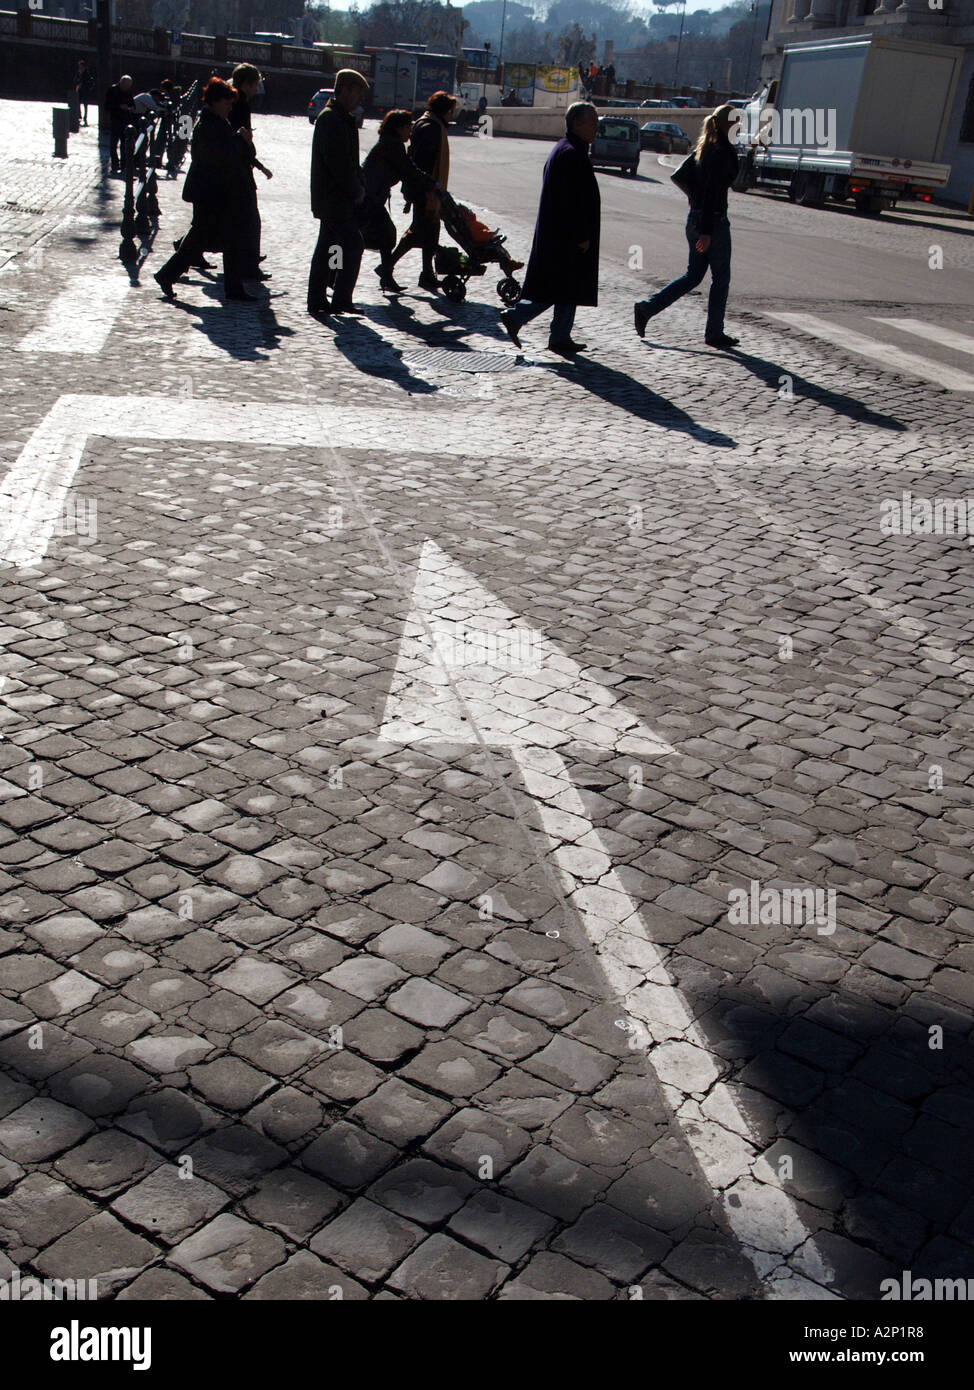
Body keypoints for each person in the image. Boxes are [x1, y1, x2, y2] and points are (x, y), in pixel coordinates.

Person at [633, 103, 740, 348]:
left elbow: (679, 176)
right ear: (726, 124)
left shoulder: (704, 148)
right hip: (712, 223)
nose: (739, 127)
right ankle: (714, 332)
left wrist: (695, 201)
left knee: (693, 276)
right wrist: (707, 230)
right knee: (720, 278)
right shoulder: (722, 151)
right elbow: (714, 192)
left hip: (696, 219)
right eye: (736, 122)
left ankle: (647, 308)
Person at [499, 101, 600, 357]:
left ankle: (560, 335)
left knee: (568, 286)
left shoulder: (568, 149)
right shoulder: (571, 154)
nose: (597, 128)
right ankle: (517, 317)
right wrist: (581, 234)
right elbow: (571, 201)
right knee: (559, 285)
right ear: (577, 123)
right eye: (593, 122)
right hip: (567, 234)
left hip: (560, 232)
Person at [153, 77, 256, 304]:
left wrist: (242, 142)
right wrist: (241, 140)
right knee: (205, 239)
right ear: (216, 101)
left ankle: (231, 287)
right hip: (210, 193)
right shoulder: (209, 125)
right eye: (227, 103)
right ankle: (168, 275)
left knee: (215, 239)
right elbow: (222, 158)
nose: (230, 108)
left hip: (215, 192)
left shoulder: (217, 122)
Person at [307, 68, 370, 317]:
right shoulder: (332, 119)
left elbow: (349, 162)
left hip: (334, 197)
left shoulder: (341, 118)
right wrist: (355, 190)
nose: (359, 99)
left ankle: (320, 298)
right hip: (334, 197)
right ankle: (339, 298)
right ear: (343, 90)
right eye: (356, 93)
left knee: (331, 248)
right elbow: (339, 164)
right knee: (352, 245)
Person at [359, 109, 438, 293]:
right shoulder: (392, 145)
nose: (410, 131)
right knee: (375, 235)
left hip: (372, 196)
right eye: (408, 127)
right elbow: (408, 171)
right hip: (369, 197)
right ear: (398, 128)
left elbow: (406, 170)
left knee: (383, 234)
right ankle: (339, 277)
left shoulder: (390, 143)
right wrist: (432, 182)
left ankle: (386, 275)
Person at [388, 90, 456, 293]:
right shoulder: (431, 128)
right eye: (452, 111)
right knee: (419, 231)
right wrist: (428, 188)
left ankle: (427, 274)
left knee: (430, 232)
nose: (453, 116)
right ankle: (386, 267)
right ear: (445, 111)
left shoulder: (426, 123)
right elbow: (422, 163)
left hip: (423, 189)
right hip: (426, 190)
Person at [230, 63, 272, 282]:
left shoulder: (233, 100)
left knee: (231, 217)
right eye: (255, 84)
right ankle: (249, 263)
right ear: (246, 84)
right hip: (239, 168)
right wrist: (257, 163)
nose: (257, 89)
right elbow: (240, 138)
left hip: (237, 165)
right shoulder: (241, 104)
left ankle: (248, 259)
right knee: (250, 218)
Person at [105, 74, 136, 173]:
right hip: (116, 119)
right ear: (121, 83)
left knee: (125, 144)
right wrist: (119, 106)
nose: (127, 88)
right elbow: (107, 106)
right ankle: (115, 165)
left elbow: (133, 105)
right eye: (126, 86)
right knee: (113, 144)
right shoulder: (112, 90)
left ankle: (124, 165)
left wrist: (131, 108)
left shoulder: (128, 92)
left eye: (128, 86)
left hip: (126, 120)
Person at [72, 59, 95, 126]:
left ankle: (84, 116)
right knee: (78, 103)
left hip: (85, 91)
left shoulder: (86, 74)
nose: (80, 68)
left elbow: (89, 82)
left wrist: (87, 88)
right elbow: (75, 80)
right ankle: (79, 115)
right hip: (79, 90)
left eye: (81, 66)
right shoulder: (78, 73)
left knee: (85, 104)